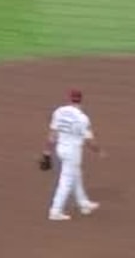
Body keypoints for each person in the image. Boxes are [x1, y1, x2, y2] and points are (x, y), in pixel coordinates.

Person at [43, 89, 100, 221]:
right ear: (81, 100)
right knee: (66, 181)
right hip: (73, 152)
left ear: (69, 99)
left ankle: (84, 203)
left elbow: (52, 135)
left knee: (76, 175)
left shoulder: (59, 111)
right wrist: (99, 151)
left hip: (60, 149)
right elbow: (89, 140)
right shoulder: (82, 118)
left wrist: (46, 151)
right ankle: (55, 210)